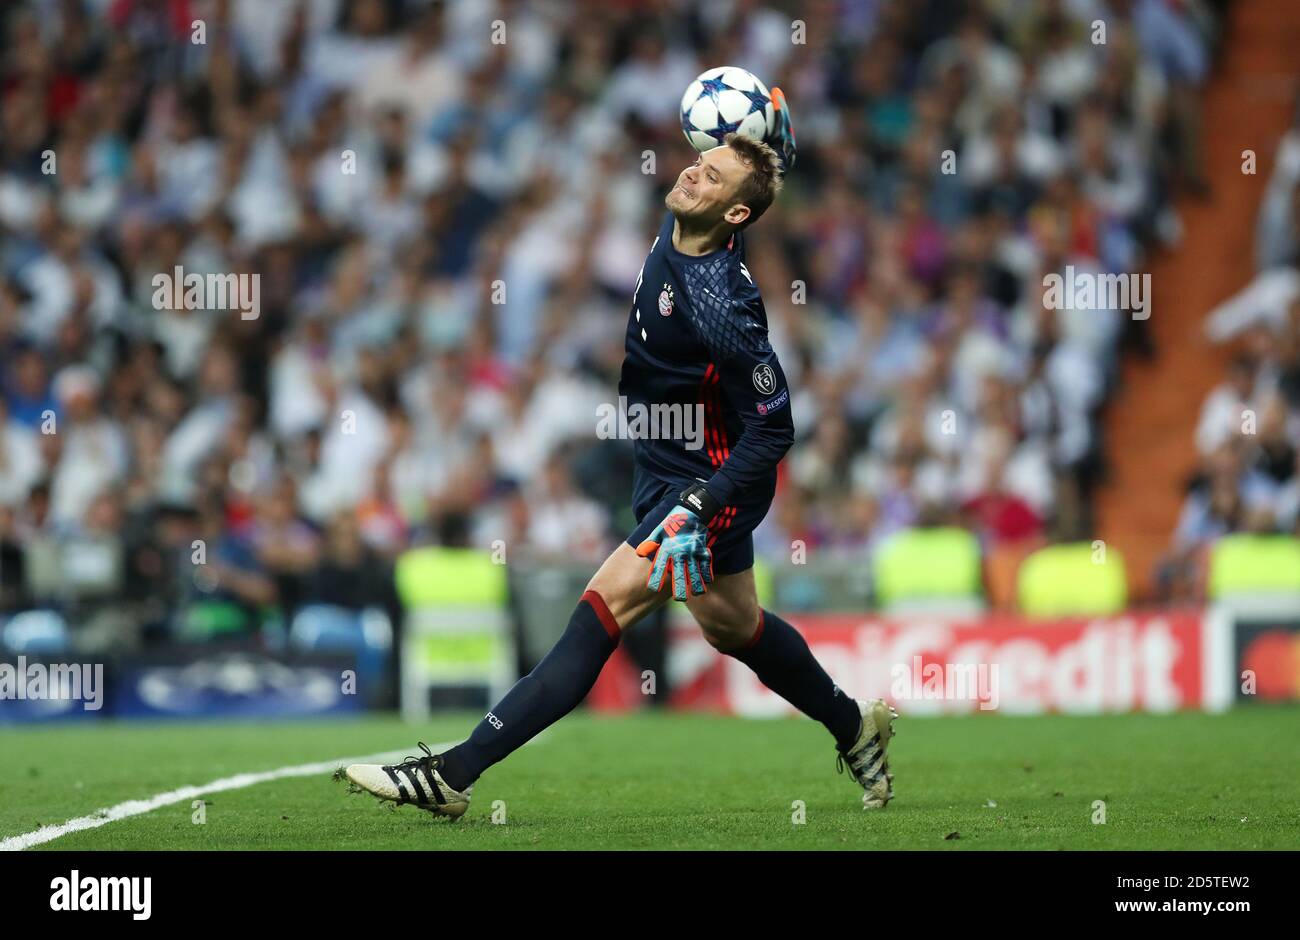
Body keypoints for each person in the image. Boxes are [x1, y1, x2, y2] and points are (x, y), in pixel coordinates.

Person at [345, 91, 898, 818]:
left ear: (735, 215)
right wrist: (762, 145)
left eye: (714, 176)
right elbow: (742, 173)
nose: (694, 174)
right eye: (701, 161)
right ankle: (857, 728)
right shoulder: (691, 217)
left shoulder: (722, 301)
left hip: (707, 483)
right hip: (664, 461)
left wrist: (701, 507)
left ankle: (452, 773)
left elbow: (774, 428)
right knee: (733, 625)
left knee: (597, 612)